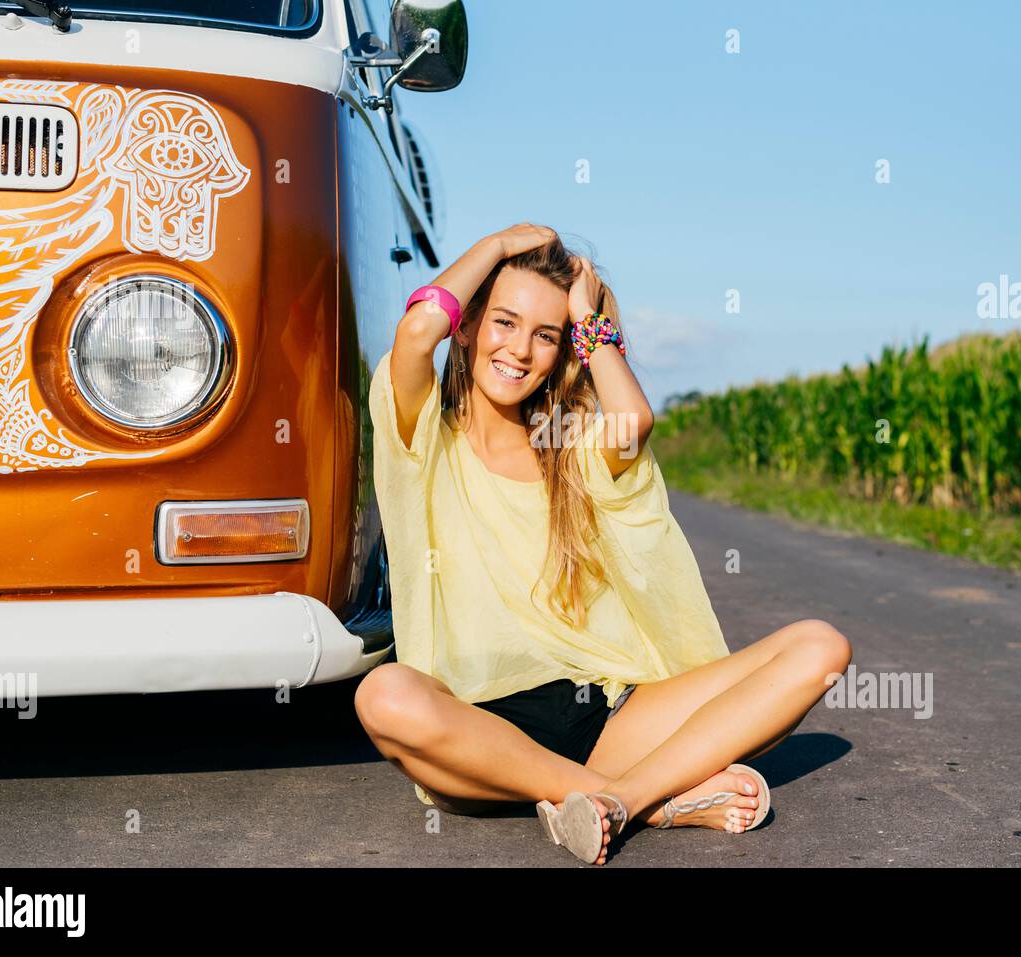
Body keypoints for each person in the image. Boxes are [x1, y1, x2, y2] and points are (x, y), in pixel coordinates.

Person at [354, 223, 852, 864]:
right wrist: (500, 245)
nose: (520, 351)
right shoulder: (422, 438)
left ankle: (617, 798)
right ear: (470, 327)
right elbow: (419, 330)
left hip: (611, 718)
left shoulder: (573, 451)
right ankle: (658, 802)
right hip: (485, 735)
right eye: (503, 323)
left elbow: (633, 420)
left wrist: (588, 315)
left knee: (821, 647)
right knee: (384, 694)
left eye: (546, 335)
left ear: (567, 349)